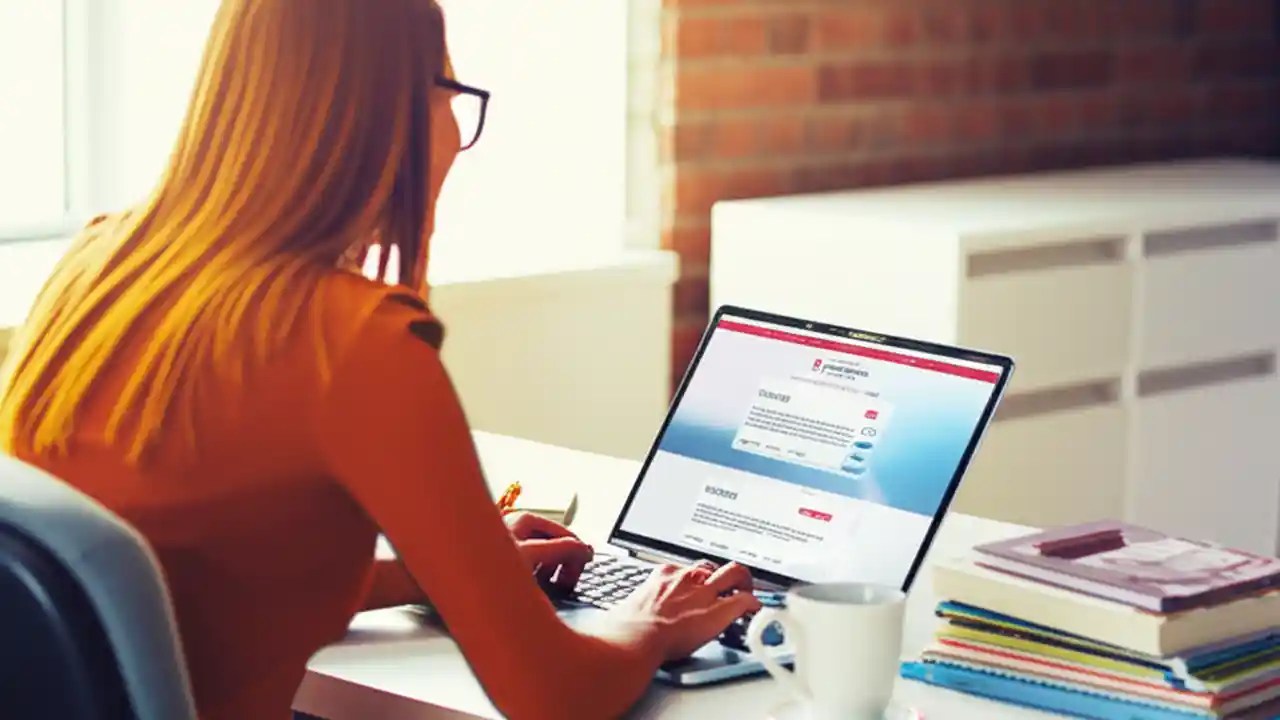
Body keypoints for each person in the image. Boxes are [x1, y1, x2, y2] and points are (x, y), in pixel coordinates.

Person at [0, 1, 760, 718]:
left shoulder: (97, 264)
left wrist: (451, 571)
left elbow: (199, 574)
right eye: (450, 92)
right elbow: (555, 695)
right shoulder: (355, 346)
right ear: (390, 114)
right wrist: (651, 621)